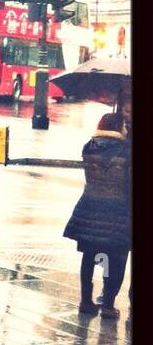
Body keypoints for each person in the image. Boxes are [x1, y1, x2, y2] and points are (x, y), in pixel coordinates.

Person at [63, 112, 131, 318]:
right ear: (118, 127)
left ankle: (86, 300)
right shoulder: (127, 152)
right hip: (116, 210)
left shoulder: (89, 146)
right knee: (115, 257)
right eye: (124, 125)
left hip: (90, 205)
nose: (126, 128)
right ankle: (108, 305)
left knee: (89, 254)